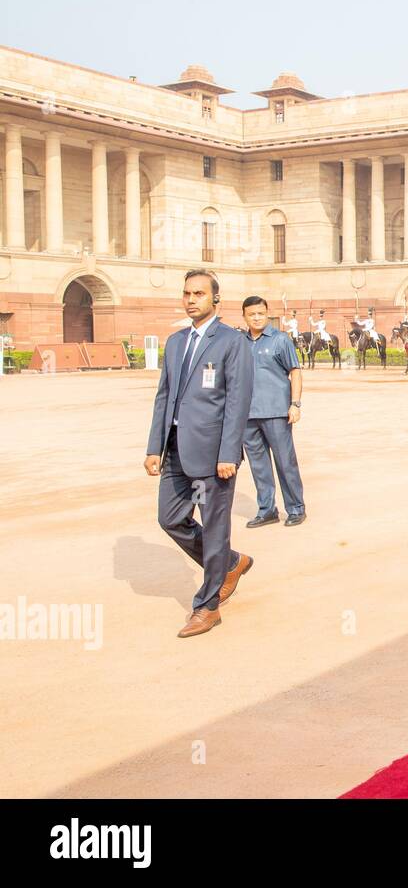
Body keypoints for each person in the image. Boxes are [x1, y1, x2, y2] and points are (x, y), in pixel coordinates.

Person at [143, 269, 254, 638]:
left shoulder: (231, 342)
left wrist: (228, 453)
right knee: (170, 518)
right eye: (187, 293)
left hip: (212, 456)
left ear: (215, 300)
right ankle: (231, 562)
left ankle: (207, 607)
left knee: (215, 526)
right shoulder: (175, 342)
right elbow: (164, 397)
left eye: (199, 294)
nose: (191, 300)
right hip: (175, 451)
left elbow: (238, 401)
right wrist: (154, 447)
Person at [241, 296, 306, 529]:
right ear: (245, 316)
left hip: (277, 412)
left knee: (285, 462)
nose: (256, 318)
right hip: (248, 415)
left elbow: (295, 372)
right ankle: (267, 509)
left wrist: (295, 404)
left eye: (260, 313)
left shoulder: (280, 340)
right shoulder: (240, 342)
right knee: (259, 466)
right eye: (251, 314)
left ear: (267, 313)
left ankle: (296, 508)